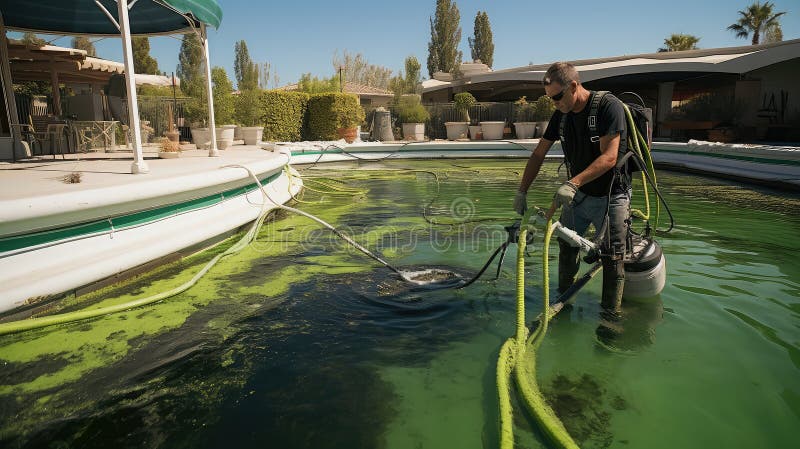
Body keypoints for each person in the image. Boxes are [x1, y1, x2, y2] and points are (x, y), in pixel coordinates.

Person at [513, 62, 631, 321]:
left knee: (612, 256)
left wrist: (573, 183)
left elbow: (610, 157)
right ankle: (564, 302)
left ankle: (610, 319)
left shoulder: (608, 107)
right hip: (578, 195)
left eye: (557, 96)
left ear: (574, 86)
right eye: (550, 98)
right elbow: (538, 154)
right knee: (566, 245)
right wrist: (522, 192)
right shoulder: (562, 114)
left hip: (611, 195)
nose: (554, 103)